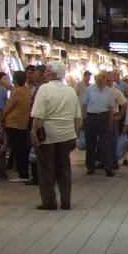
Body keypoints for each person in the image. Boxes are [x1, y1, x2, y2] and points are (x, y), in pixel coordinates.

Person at [30, 61, 81, 211]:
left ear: (52, 74)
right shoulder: (70, 91)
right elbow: (77, 117)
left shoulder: (44, 89)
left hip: (48, 135)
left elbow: (38, 115)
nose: (44, 74)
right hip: (66, 135)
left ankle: (49, 201)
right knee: (64, 168)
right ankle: (66, 201)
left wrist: (33, 132)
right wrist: (75, 135)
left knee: (46, 169)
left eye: (46, 71)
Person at [81, 72, 119, 176]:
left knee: (105, 143)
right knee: (90, 144)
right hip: (91, 117)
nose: (101, 79)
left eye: (104, 77)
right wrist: (85, 119)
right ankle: (90, 167)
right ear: (96, 78)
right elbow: (83, 105)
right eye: (100, 77)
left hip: (104, 117)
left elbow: (111, 108)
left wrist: (110, 121)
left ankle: (108, 167)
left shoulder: (109, 92)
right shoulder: (89, 90)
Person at [1, 70, 33, 181]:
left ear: (15, 79)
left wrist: (1, 118)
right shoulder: (27, 91)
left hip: (13, 123)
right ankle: (24, 172)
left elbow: (8, 107)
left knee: (17, 149)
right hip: (23, 123)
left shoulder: (17, 92)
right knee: (23, 148)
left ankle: (22, 174)